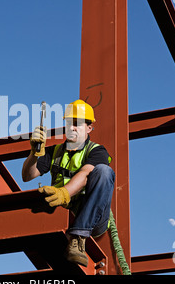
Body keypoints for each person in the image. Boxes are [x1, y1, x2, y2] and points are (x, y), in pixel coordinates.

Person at [21, 99, 115, 267]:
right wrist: (34, 153)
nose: (72, 127)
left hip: (93, 218)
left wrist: (63, 192)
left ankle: (78, 238)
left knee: (103, 171)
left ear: (89, 128)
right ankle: (71, 233)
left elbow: (86, 173)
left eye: (78, 124)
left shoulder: (96, 151)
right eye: (70, 123)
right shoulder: (55, 151)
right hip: (63, 213)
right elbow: (27, 175)